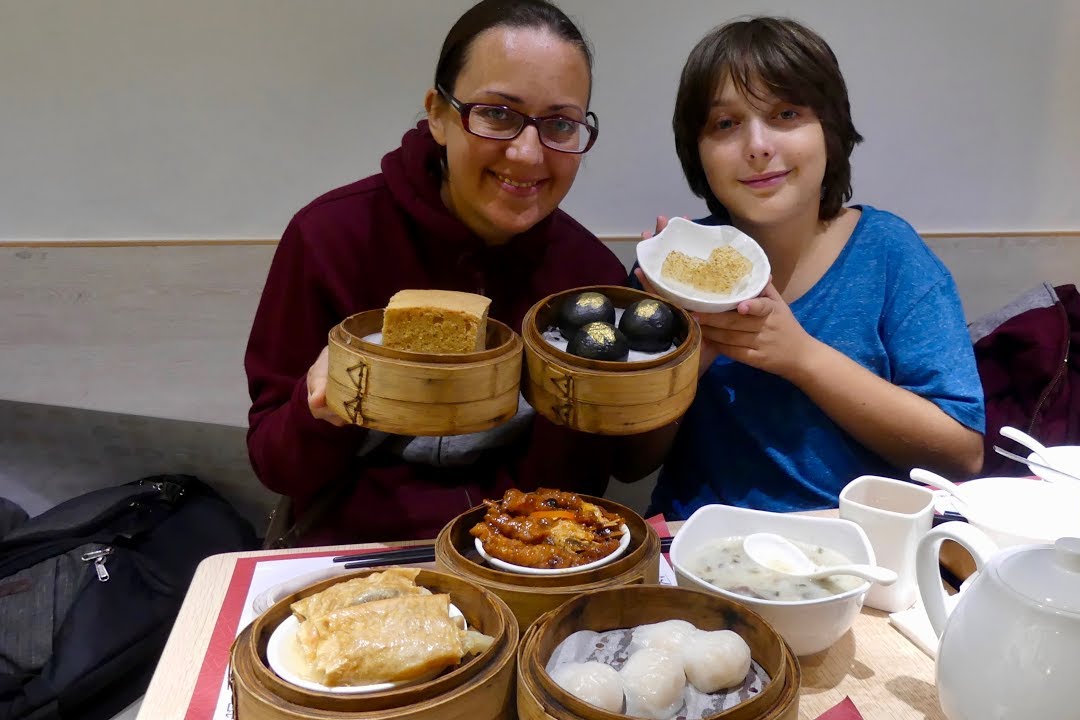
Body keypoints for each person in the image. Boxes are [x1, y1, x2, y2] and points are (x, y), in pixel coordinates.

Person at [245, 0, 629, 546]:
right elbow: (275, 465)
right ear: (439, 115)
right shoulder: (332, 238)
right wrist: (319, 410)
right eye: (497, 113)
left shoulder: (587, 277)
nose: (526, 153)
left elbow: (610, 472)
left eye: (560, 124)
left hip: (529, 559)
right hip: (359, 552)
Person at [632, 17, 986, 519]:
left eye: (785, 113)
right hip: (696, 547)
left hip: (855, 550)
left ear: (830, 129)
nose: (757, 145)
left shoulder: (889, 253)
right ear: (698, 152)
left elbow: (962, 454)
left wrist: (800, 357)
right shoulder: (673, 266)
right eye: (725, 124)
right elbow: (629, 462)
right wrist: (689, 355)